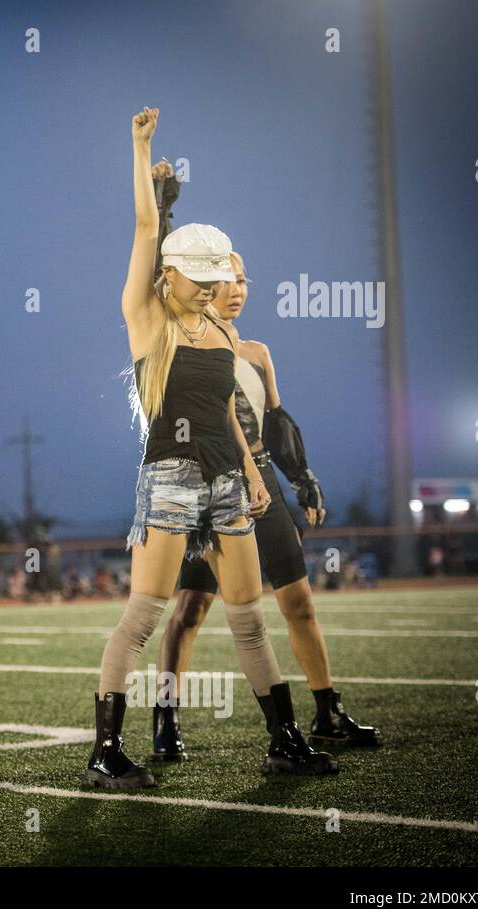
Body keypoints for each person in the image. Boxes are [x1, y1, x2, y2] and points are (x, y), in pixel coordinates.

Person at [84, 107, 337, 790]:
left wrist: (256, 478)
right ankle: (106, 752)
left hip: (228, 480)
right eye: (197, 273)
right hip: (169, 477)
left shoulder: (223, 334)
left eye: (214, 273)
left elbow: (228, 412)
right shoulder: (147, 321)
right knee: (144, 615)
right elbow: (144, 227)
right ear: (169, 273)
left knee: (249, 619)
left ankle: (284, 739)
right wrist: (140, 149)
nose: (210, 284)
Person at [148, 164, 380, 761]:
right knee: (191, 609)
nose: (238, 286)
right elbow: (156, 272)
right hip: (205, 481)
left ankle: (327, 711)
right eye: (227, 275)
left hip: (262, 483)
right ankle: (165, 718)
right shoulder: (178, 335)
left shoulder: (256, 351)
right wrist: (162, 203)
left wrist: (302, 478)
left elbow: (277, 423)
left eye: (245, 277)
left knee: (297, 601)